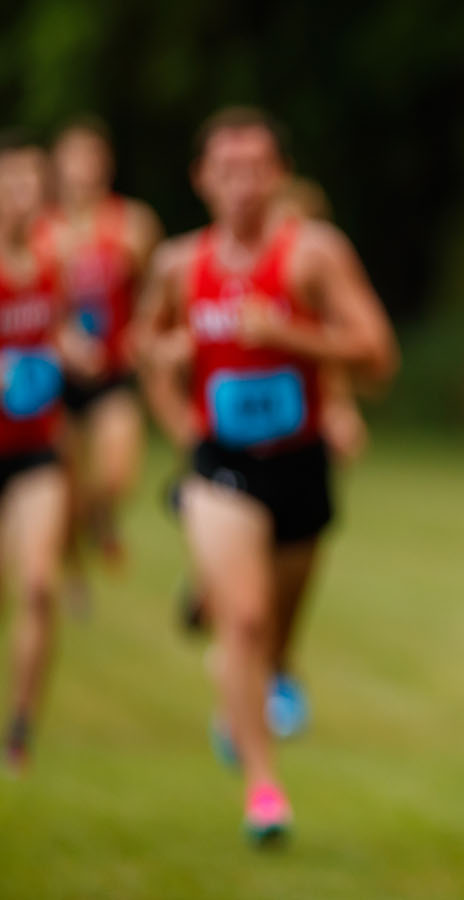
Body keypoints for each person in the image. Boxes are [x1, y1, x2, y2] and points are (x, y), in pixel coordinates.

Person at [135, 107, 398, 843]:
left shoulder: (313, 255)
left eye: (256, 168)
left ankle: (251, 677)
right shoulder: (179, 266)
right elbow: (145, 347)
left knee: (274, 636)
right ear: (201, 180)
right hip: (220, 466)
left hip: (300, 465)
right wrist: (178, 416)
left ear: (279, 175)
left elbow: (378, 358)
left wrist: (288, 334)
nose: (242, 184)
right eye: (226, 170)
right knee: (244, 621)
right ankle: (263, 790)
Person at [0, 133, 98, 771]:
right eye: (6, 183)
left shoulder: (56, 260)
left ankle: (20, 730)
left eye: (28, 183)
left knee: (38, 587)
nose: (17, 195)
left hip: (38, 450)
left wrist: (74, 347)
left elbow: (63, 327)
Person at [35, 118, 162, 583]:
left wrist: (141, 333)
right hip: (56, 375)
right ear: (56, 165)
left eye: (93, 156)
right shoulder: (39, 230)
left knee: (117, 475)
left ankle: (99, 518)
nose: (84, 168)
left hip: (112, 369)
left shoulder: (133, 223)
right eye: (74, 156)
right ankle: (70, 566)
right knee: (63, 485)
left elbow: (156, 290)